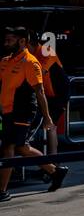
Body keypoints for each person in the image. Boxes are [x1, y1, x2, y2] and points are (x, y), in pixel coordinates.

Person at [1, 26, 69, 202]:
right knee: (21, 147)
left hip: (25, 108)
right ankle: (55, 171)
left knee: (10, 147)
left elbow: (40, 91)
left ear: (24, 42)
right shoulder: (5, 61)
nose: (5, 43)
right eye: (5, 39)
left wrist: (46, 118)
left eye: (10, 40)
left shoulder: (34, 60)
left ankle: (2, 190)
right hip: (7, 110)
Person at [33, 37, 69, 156]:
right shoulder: (30, 54)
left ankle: (52, 163)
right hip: (44, 93)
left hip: (58, 94)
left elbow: (40, 72)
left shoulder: (46, 50)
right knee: (45, 125)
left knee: (50, 125)